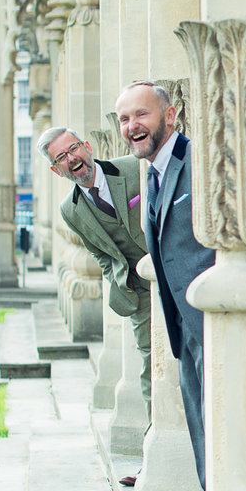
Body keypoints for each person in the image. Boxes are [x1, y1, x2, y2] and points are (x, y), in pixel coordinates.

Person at [115, 81, 216, 491]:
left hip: (214, 324)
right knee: (200, 427)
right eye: (124, 119)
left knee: (218, 427)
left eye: (142, 115)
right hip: (184, 331)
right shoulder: (150, 175)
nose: (132, 126)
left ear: (170, 116)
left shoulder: (197, 162)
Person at [38, 126, 152, 470]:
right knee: (150, 370)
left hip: (173, 274)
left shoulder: (133, 168)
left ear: (87, 147)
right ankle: (154, 457)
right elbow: (100, 253)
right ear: (56, 170)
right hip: (137, 291)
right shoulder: (69, 210)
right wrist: (118, 281)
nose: (72, 158)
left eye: (73, 149)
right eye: (62, 157)